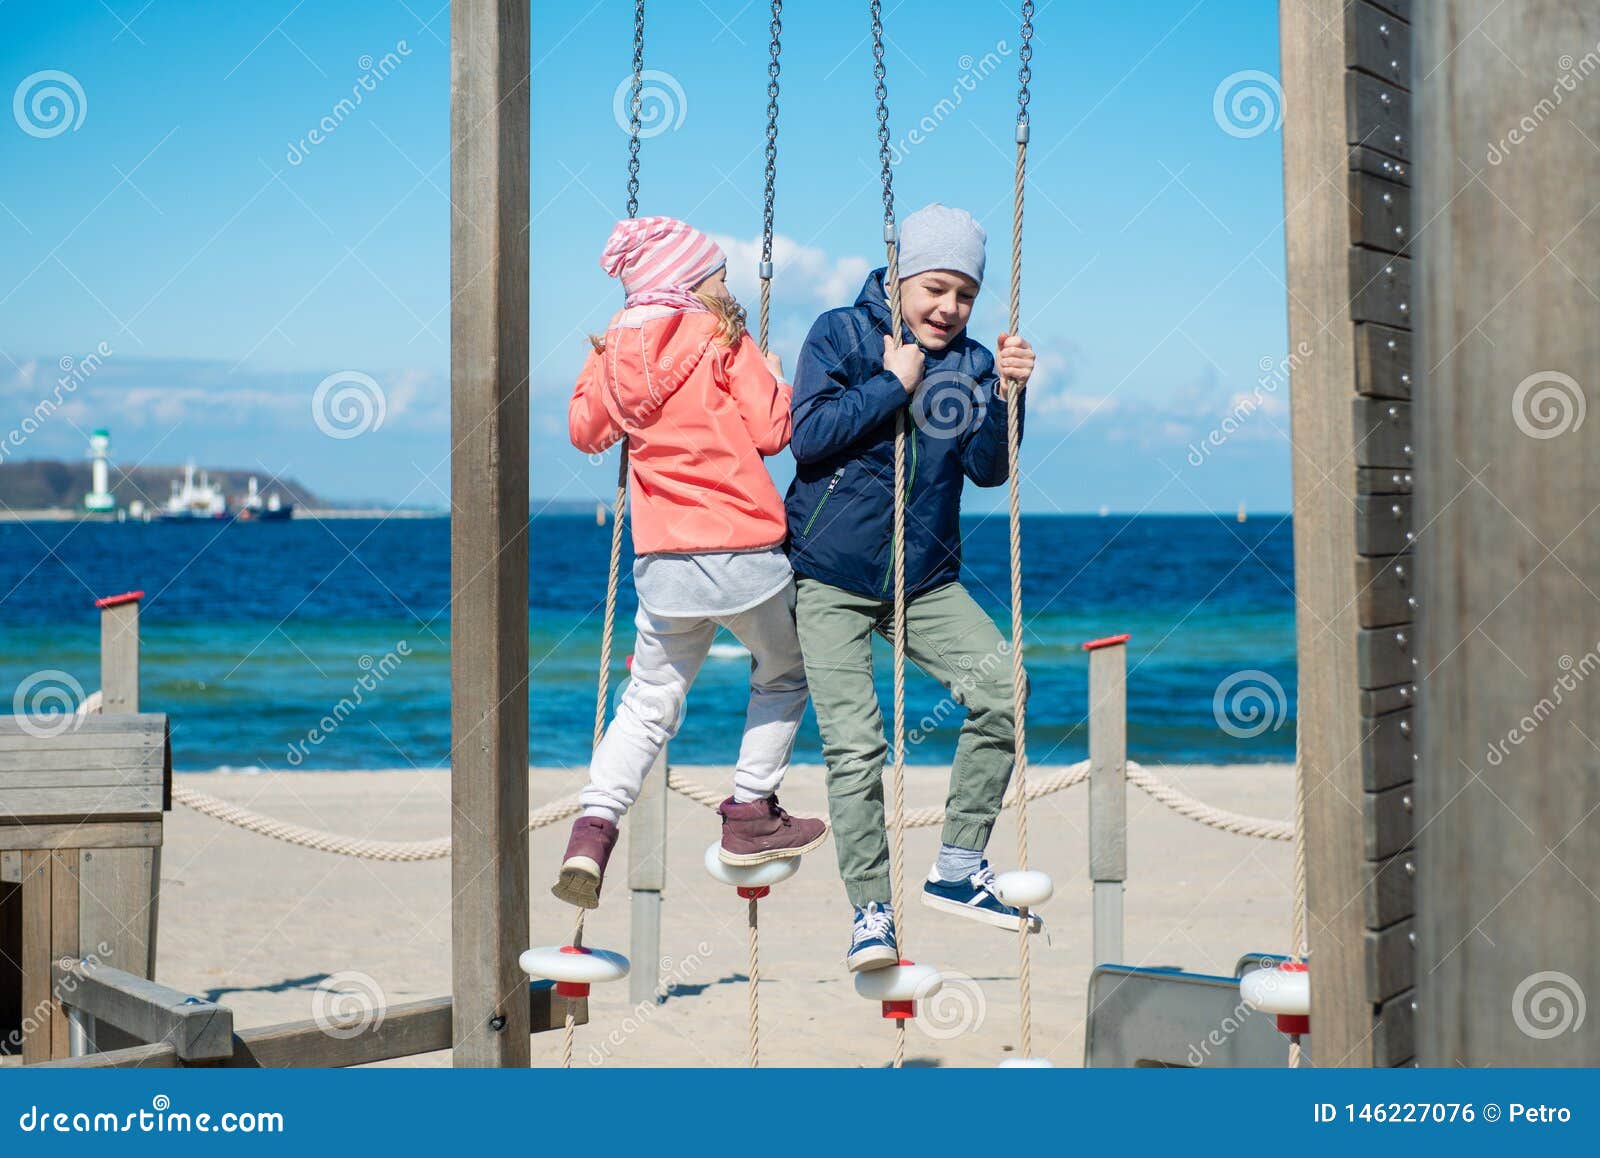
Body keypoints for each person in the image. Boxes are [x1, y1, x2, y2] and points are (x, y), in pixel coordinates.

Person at [783, 203, 1038, 971]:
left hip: (923, 579)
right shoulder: (840, 332)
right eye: (934, 288)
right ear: (898, 278)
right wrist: (893, 385)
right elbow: (810, 436)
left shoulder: (973, 364)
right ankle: (870, 911)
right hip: (829, 574)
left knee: (1004, 688)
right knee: (857, 748)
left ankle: (958, 869)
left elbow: (989, 470)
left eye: (963, 295)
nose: (948, 308)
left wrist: (1010, 400)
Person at [553, 216, 826, 910]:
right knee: (785, 672)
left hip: (665, 561)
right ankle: (750, 811)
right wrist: (752, 354)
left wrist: (602, 360)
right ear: (691, 282)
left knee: (646, 704)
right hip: (744, 551)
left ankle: (592, 829)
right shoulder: (723, 339)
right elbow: (775, 430)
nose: (725, 285)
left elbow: (586, 432)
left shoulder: (615, 350)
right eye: (718, 276)